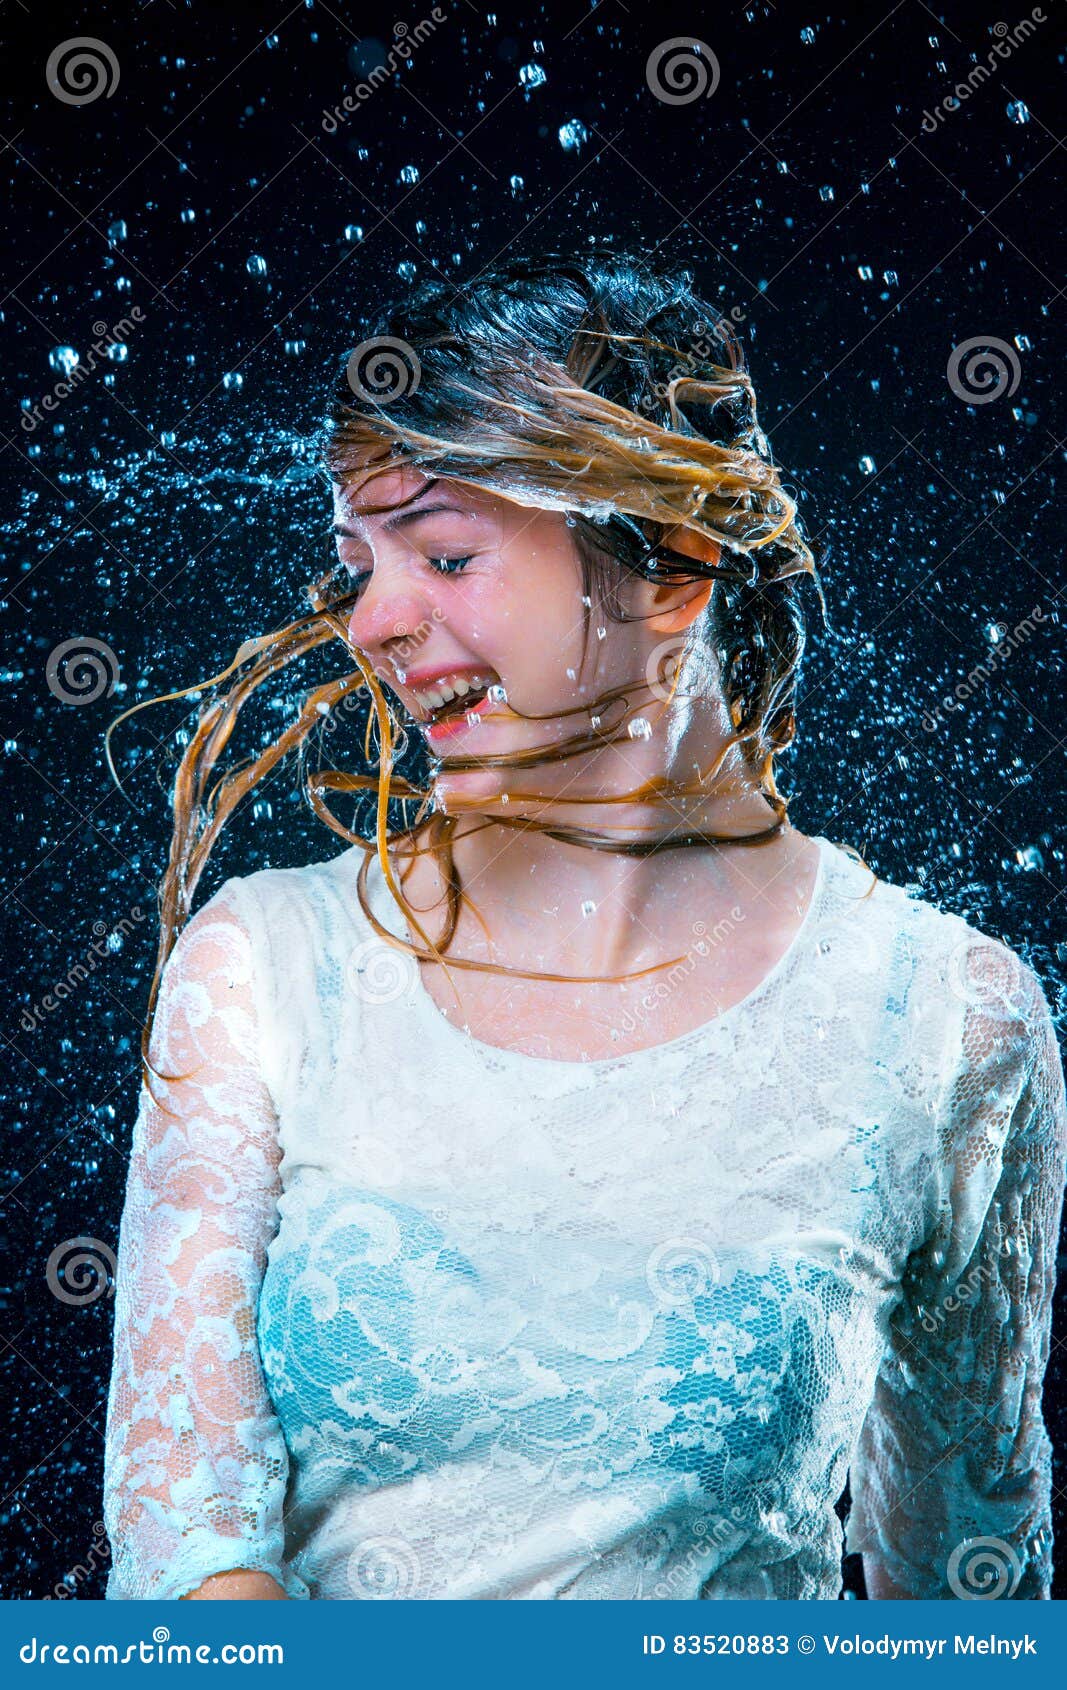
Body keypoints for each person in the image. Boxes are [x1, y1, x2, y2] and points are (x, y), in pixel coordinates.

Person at [101, 251, 1066, 1601]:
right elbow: (187, 1552)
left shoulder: (947, 1024)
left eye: (446, 554)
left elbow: (966, 1594)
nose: (373, 622)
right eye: (360, 565)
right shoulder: (264, 971)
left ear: (671, 566)